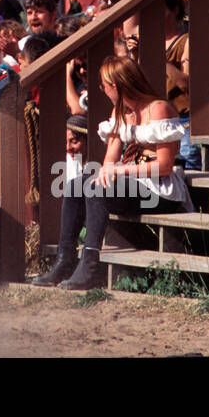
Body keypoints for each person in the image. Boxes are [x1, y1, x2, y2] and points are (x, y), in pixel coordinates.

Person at [33, 56, 192, 290]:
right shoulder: (121, 112)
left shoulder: (158, 109)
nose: (103, 90)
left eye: (103, 86)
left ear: (115, 86)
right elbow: (110, 159)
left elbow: (165, 166)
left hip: (160, 190)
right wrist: (107, 171)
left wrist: (120, 170)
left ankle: (90, 264)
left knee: (96, 186)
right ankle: (65, 260)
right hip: (133, 184)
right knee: (77, 184)